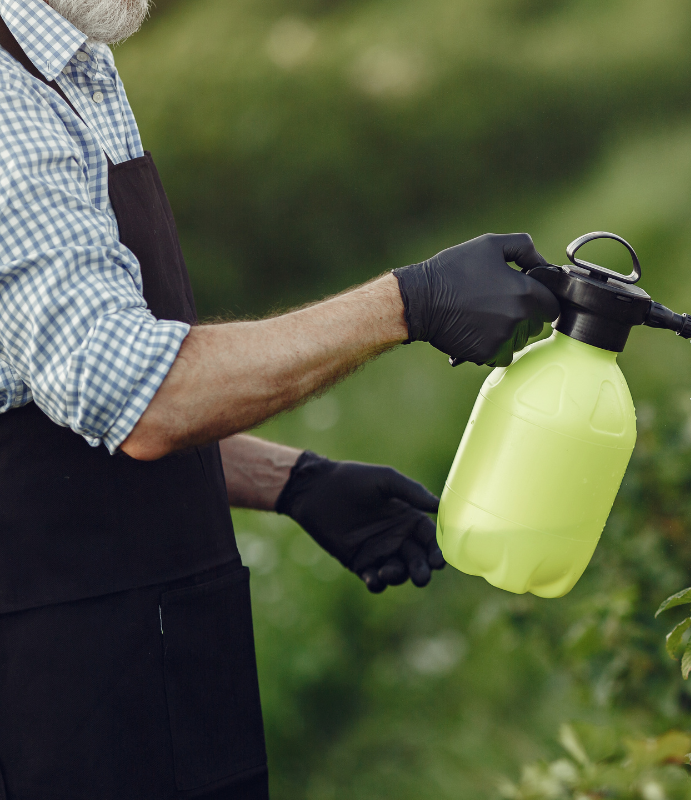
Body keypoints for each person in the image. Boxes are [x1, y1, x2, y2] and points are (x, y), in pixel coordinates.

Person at [0, 0, 560, 795]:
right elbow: (149, 395)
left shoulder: (78, 65)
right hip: (56, 694)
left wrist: (293, 480)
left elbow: (60, 402)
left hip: (152, 654)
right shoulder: (7, 110)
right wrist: (408, 303)